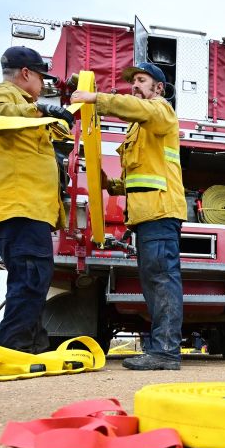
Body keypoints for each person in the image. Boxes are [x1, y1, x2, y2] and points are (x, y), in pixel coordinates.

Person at [71, 63, 184, 370]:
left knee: (161, 280)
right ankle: (162, 349)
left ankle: (165, 352)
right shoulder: (140, 127)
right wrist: (110, 184)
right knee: (155, 281)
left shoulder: (161, 111)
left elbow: (134, 108)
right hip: (148, 214)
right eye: (133, 81)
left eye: (141, 80)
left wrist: (96, 98)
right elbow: (142, 175)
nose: (134, 85)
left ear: (158, 88)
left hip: (160, 212)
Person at [0, 46, 74, 353]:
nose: (44, 85)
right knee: (30, 277)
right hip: (17, 206)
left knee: (35, 278)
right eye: (41, 77)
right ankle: (14, 349)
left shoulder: (27, 106)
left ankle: (34, 345)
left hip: (30, 209)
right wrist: (44, 110)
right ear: (26, 73)